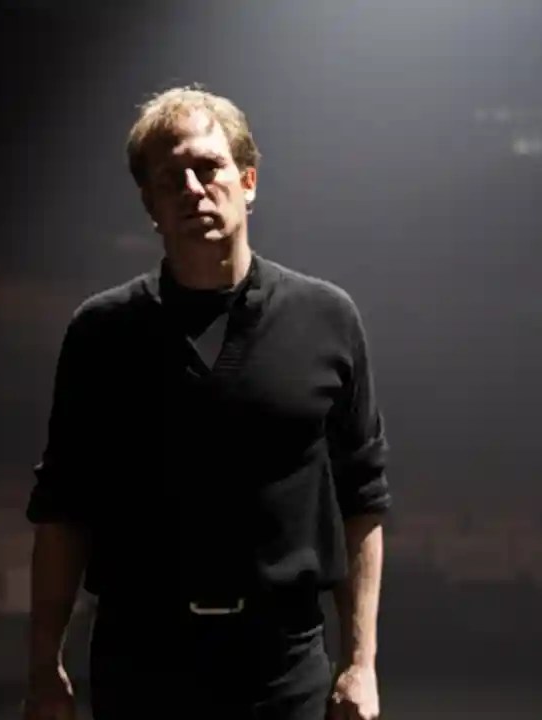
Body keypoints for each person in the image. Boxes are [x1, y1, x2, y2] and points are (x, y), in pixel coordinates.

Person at [22, 84, 390, 720]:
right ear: (151, 205)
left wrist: (361, 664)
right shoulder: (100, 331)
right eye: (171, 177)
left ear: (247, 180)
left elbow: (363, 498)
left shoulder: (327, 317)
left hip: (283, 662)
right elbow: (63, 508)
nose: (193, 188)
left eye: (209, 166)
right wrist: (43, 666)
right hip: (142, 661)